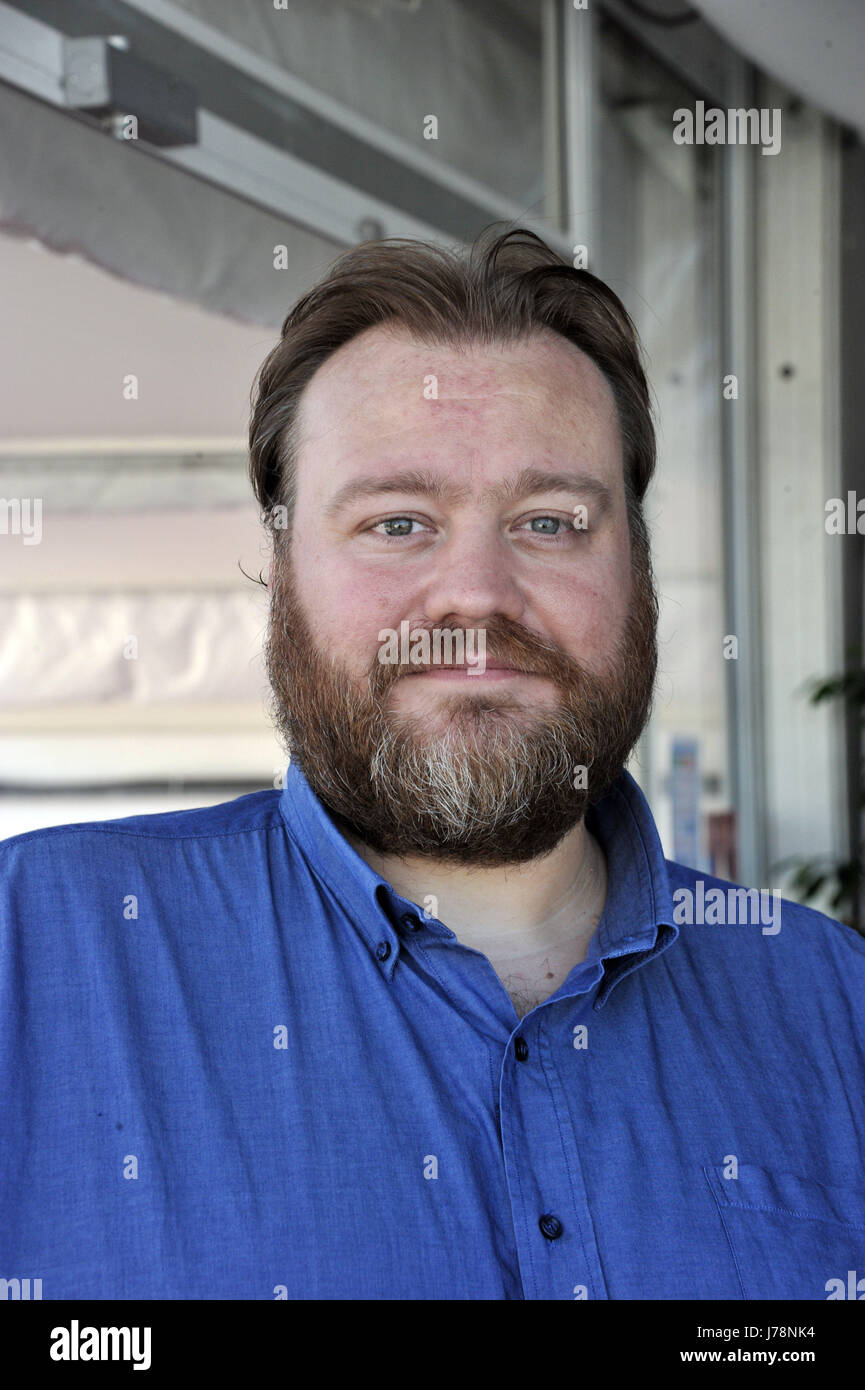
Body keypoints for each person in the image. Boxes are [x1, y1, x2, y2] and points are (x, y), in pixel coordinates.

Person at [2, 227, 863, 1302]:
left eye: (550, 521)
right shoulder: (29, 956)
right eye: (397, 521)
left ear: (636, 571)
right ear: (278, 574)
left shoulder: (831, 1002)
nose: (475, 597)